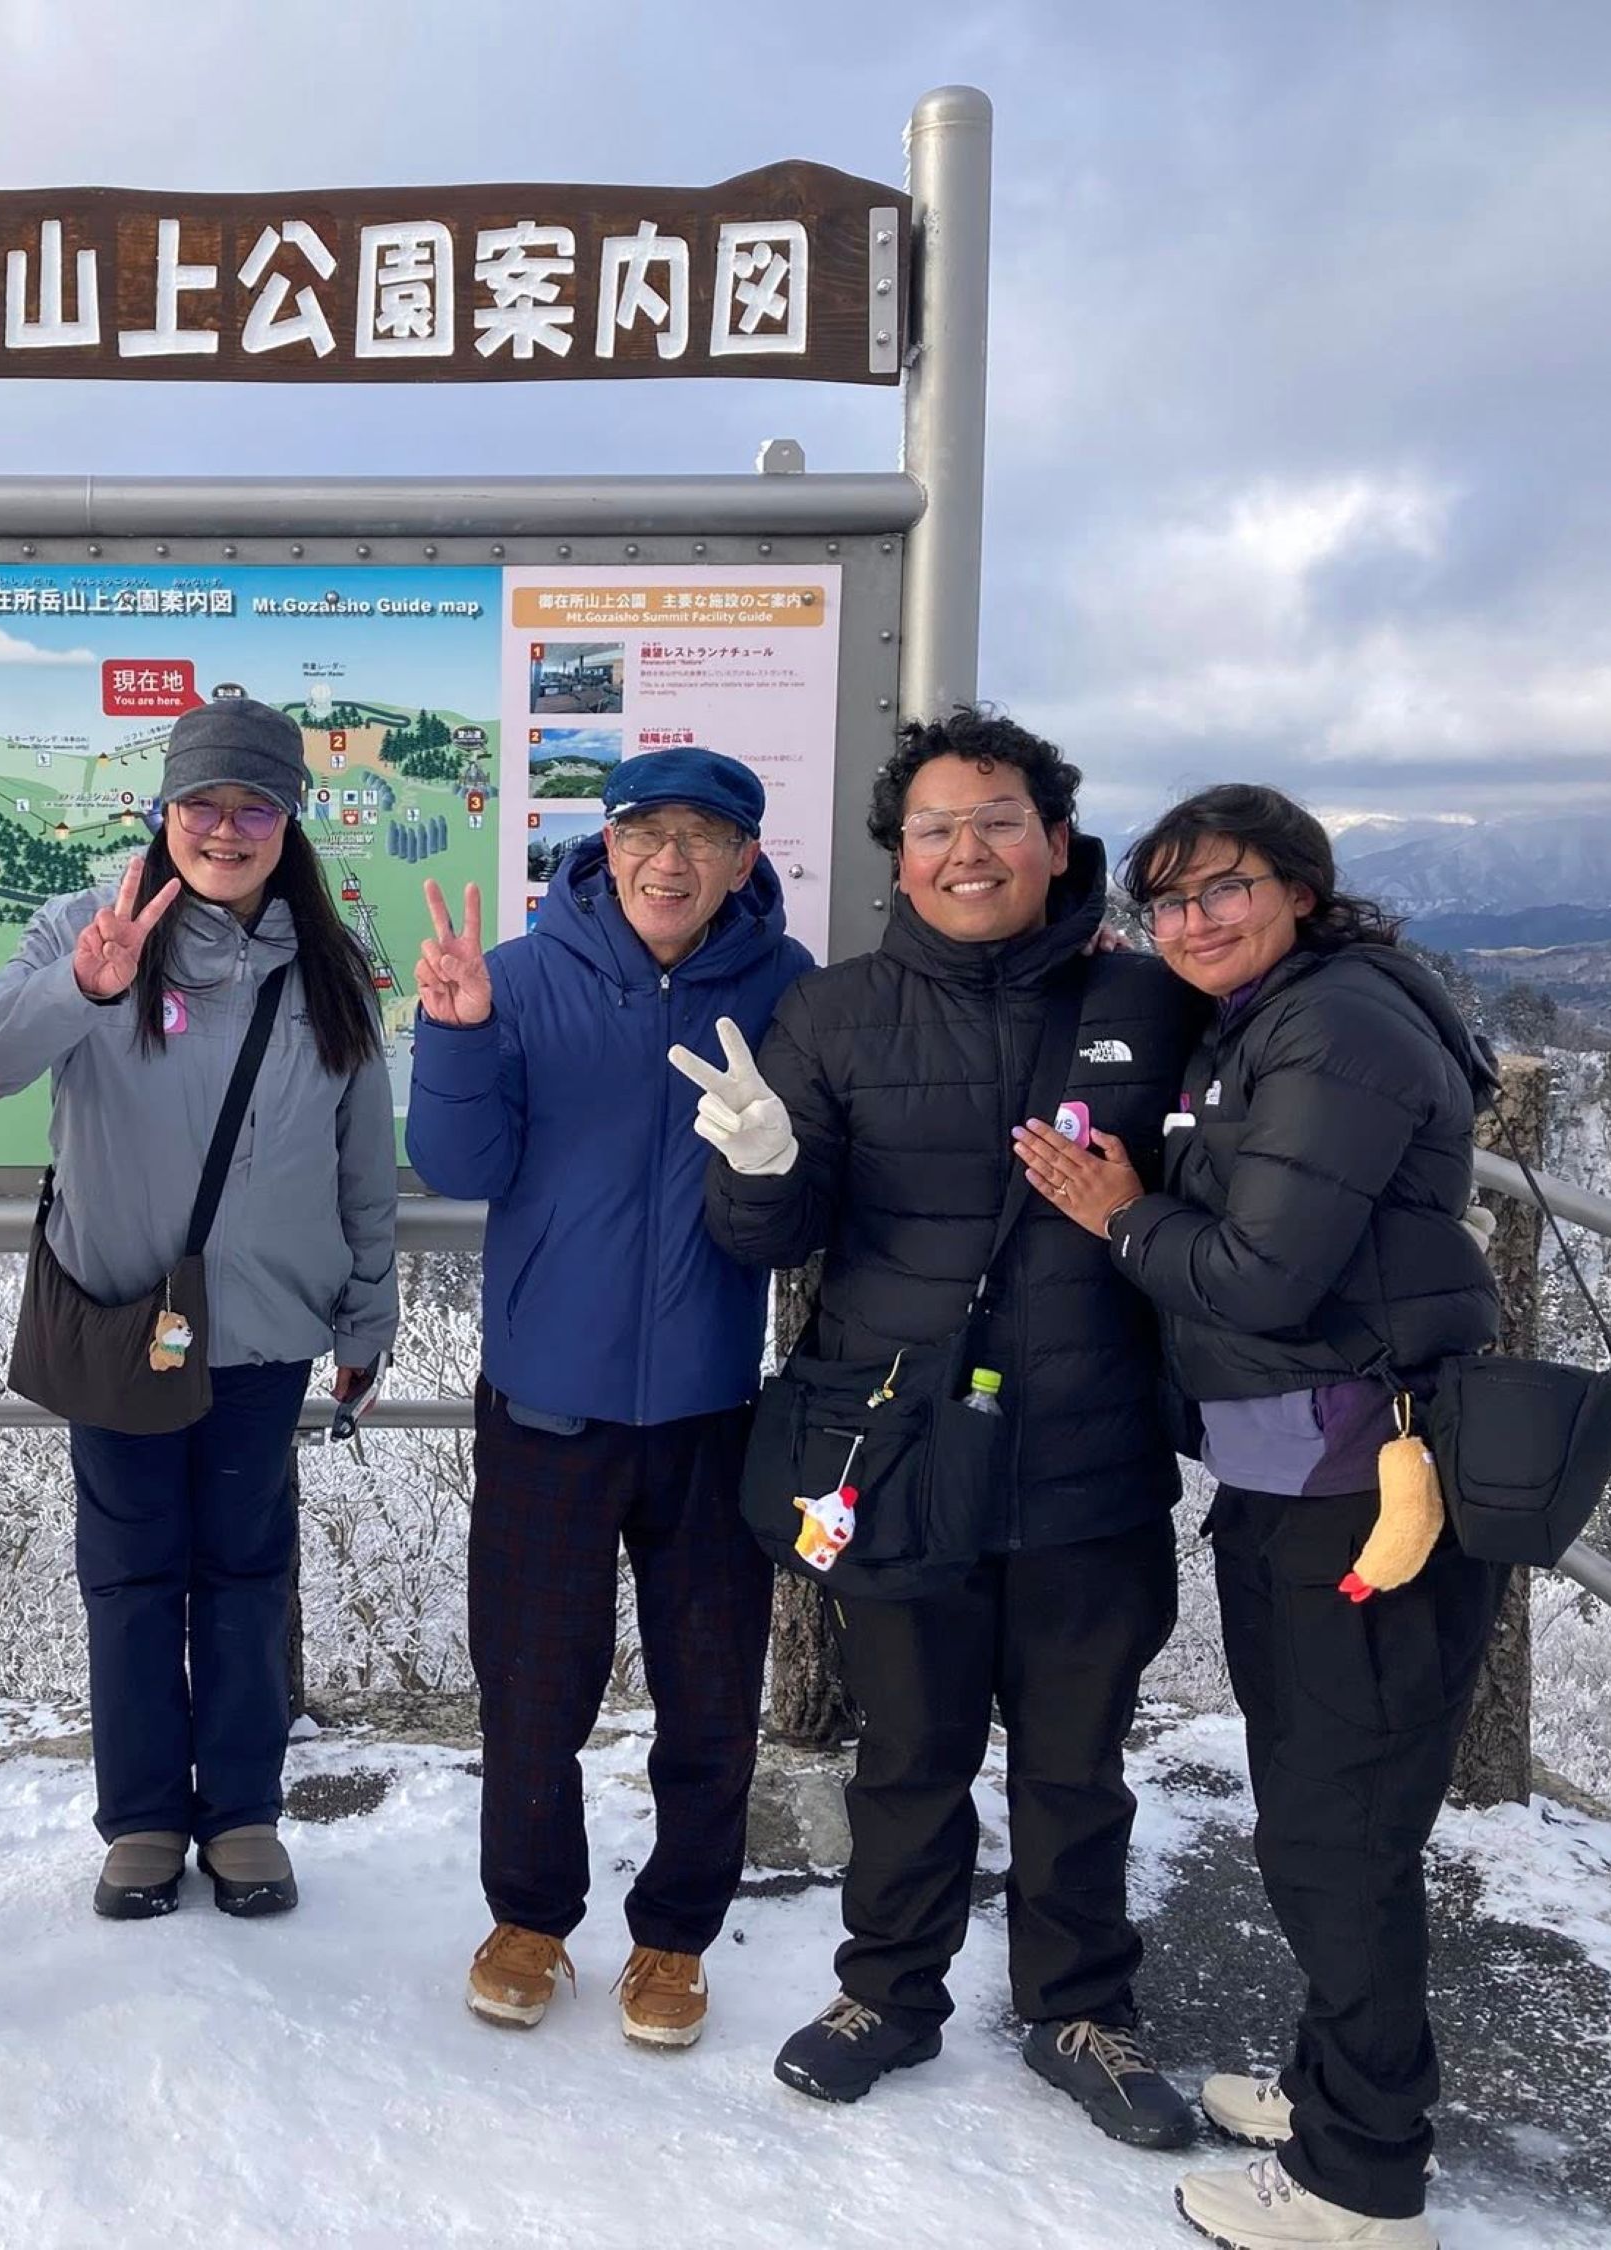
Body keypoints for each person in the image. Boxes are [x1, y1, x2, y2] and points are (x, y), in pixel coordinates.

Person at [694, 709, 1203, 2144]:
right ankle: (888, 1991)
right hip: (902, 1448)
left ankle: (1082, 2005)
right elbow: (772, 1233)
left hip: (1089, 1450)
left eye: (996, 820)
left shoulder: (1153, 1007)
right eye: (935, 827)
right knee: (906, 1747)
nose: (966, 849)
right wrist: (756, 1162)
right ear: (897, 860)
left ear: (1054, 838)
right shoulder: (836, 1011)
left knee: (1076, 1757)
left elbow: (1228, 1184)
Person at [1012, 783, 1501, 2250]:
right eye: (1167, 902)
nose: (1193, 922)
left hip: (1359, 1486)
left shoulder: (1334, 1025)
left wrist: (1117, 1215)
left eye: (1222, 888)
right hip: (1309, 1467)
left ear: (1298, 885)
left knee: (1334, 1833)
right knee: (1329, 1812)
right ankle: (1336, 2089)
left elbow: (1269, 1278)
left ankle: (1361, 2183)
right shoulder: (1288, 1010)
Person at [0, 698, 398, 1922]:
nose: (228, 828)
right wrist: (85, 991)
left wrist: (367, 1316)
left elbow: (363, 1157)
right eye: (203, 802)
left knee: (247, 1576)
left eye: (256, 804)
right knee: (133, 1579)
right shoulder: (85, 928)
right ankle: (142, 1818)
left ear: (290, 817)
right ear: (165, 811)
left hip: (266, 1327)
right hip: (125, 1321)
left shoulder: (328, 963)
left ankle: (243, 1812)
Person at [405, 746, 813, 2049]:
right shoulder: (519, 979)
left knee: (709, 1690)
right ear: (607, 843)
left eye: (707, 836)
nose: (672, 859)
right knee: (533, 1683)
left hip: (707, 1407)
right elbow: (457, 1162)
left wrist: (777, 1156)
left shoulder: (791, 996)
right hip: (545, 1406)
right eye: (648, 830)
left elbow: (797, 1223)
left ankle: (675, 1934)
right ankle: (530, 1915)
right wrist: (457, 1032)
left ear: (746, 861)